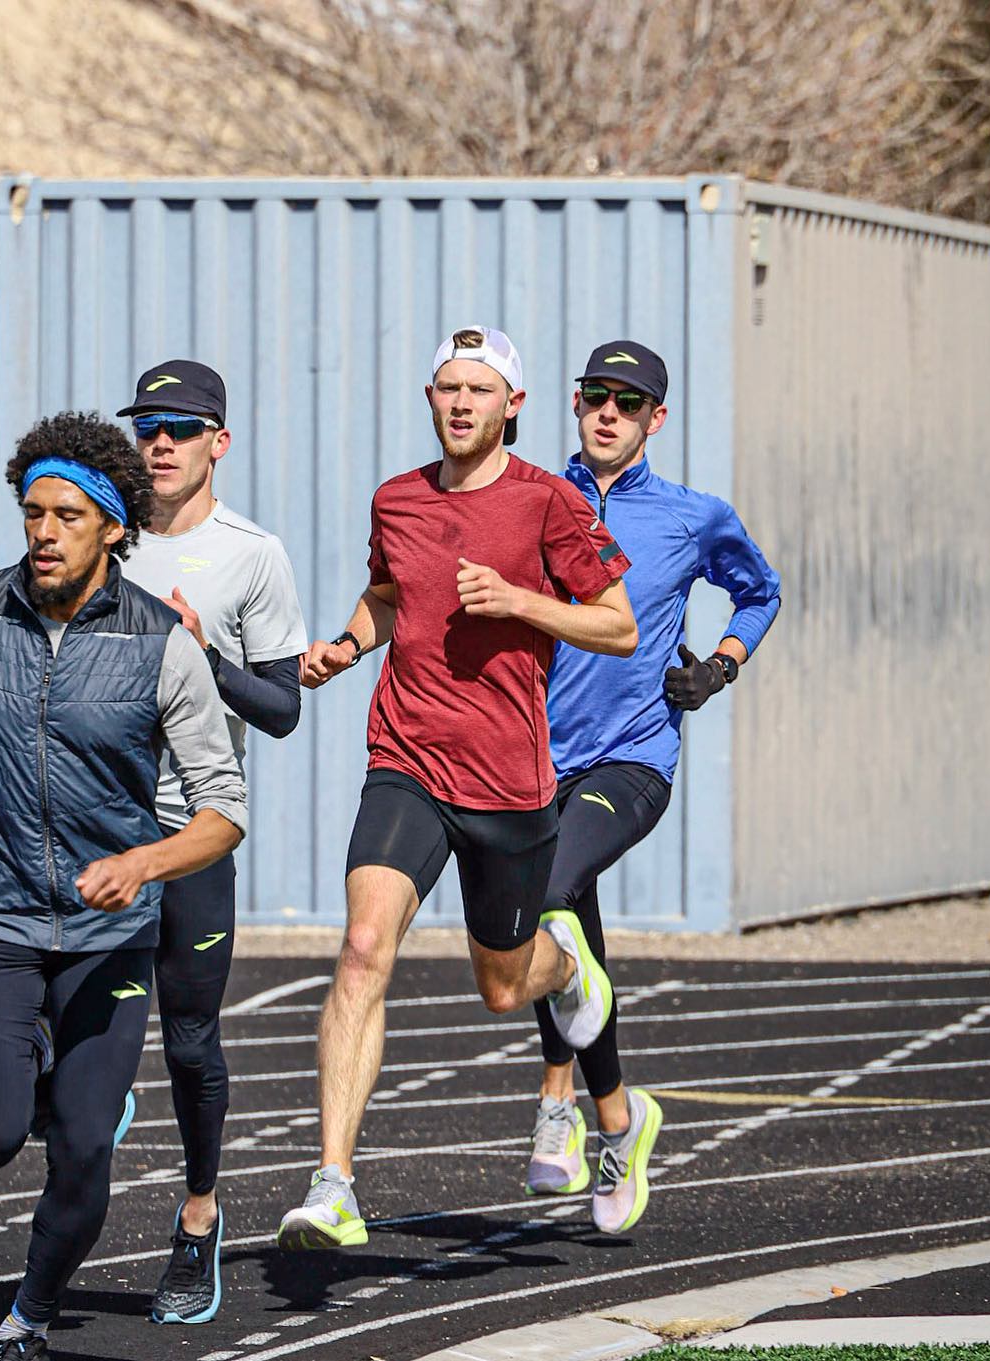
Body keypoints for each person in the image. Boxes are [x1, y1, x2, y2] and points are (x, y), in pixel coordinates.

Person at [0, 410, 248, 1361]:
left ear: (113, 528)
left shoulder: (162, 644)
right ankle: (42, 1080)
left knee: (86, 1147)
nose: (44, 533)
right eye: (32, 513)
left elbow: (223, 806)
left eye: (67, 517)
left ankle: (29, 1316)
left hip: (108, 935)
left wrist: (142, 863)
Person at [277, 326, 639, 1252]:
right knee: (362, 946)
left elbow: (618, 626)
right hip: (405, 758)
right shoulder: (396, 498)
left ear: (511, 405)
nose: (461, 403)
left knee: (501, 987)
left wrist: (519, 601)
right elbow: (388, 592)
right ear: (430, 399)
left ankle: (568, 966)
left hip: (507, 781)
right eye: (448, 387)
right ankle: (333, 1184)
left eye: (479, 389)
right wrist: (346, 643)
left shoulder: (549, 502)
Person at [522, 340, 781, 1234]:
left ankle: (555, 1098)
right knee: (567, 944)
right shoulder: (533, 499)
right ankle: (618, 1121)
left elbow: (759, 592)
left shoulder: (691, 516)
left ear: (654, 419)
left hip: (631, 760)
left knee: (548, 894)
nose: (608, 411)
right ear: (574, 403)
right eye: (595, 394)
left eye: (627, 401)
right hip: (531, 762)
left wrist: (718, 666)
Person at [114, 360, 308, 1323]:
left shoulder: (251, 555)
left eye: (180, 427)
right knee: (55, 1012)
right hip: (93, 826)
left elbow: (281, 708)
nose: (160, 442)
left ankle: (198, 1218)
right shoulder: (97, 535)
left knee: (189, 1042)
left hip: (191, 828)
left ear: (216, 443)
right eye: (147, 425)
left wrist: (204, 655)